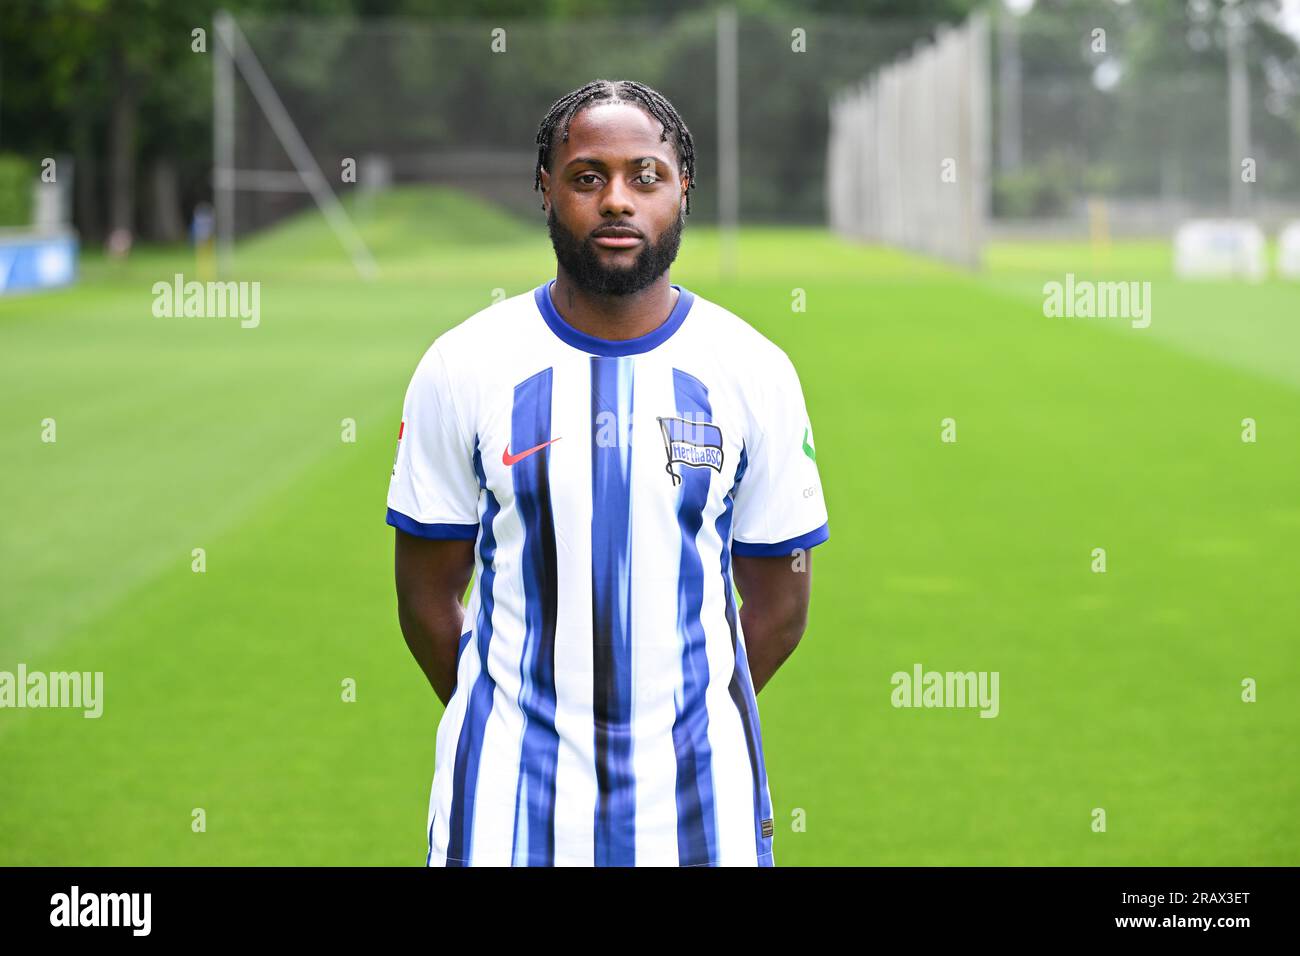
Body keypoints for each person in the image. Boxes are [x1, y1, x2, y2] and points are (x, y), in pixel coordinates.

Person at [388, 79, 829, 867]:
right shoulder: (465, 365)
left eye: (645, 176)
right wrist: (516, 723)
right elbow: (426, 596)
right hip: (505, 806)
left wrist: (678, 726)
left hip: (702, 807)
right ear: (546, 190)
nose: (617, 200)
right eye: (588, 177)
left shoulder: (753, 370)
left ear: (683, 189)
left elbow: (780, 603)